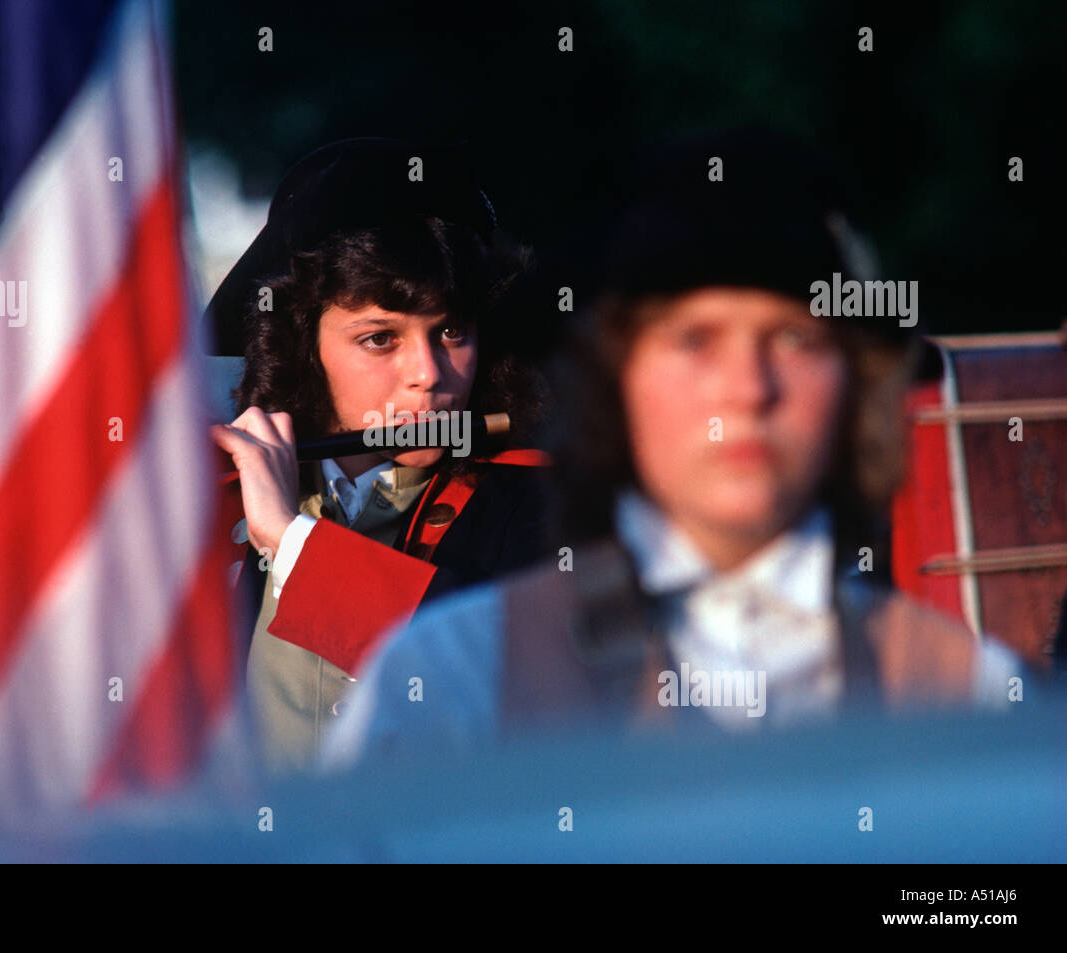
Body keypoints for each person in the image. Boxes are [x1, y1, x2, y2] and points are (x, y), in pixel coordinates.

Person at [322, 128, 1023, 767]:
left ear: (854, 383)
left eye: (794, 338)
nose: (749, 389)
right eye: (695, 340)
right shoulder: (451, 682)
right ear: (610, 381)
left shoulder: (972, 689)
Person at [204, 138, 551, 774]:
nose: (427, 374)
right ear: (302, 346)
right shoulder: (210, 494)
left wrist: (290, 542)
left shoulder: (541, 501)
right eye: (380, 338)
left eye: (451, 331)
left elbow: (508, 677)